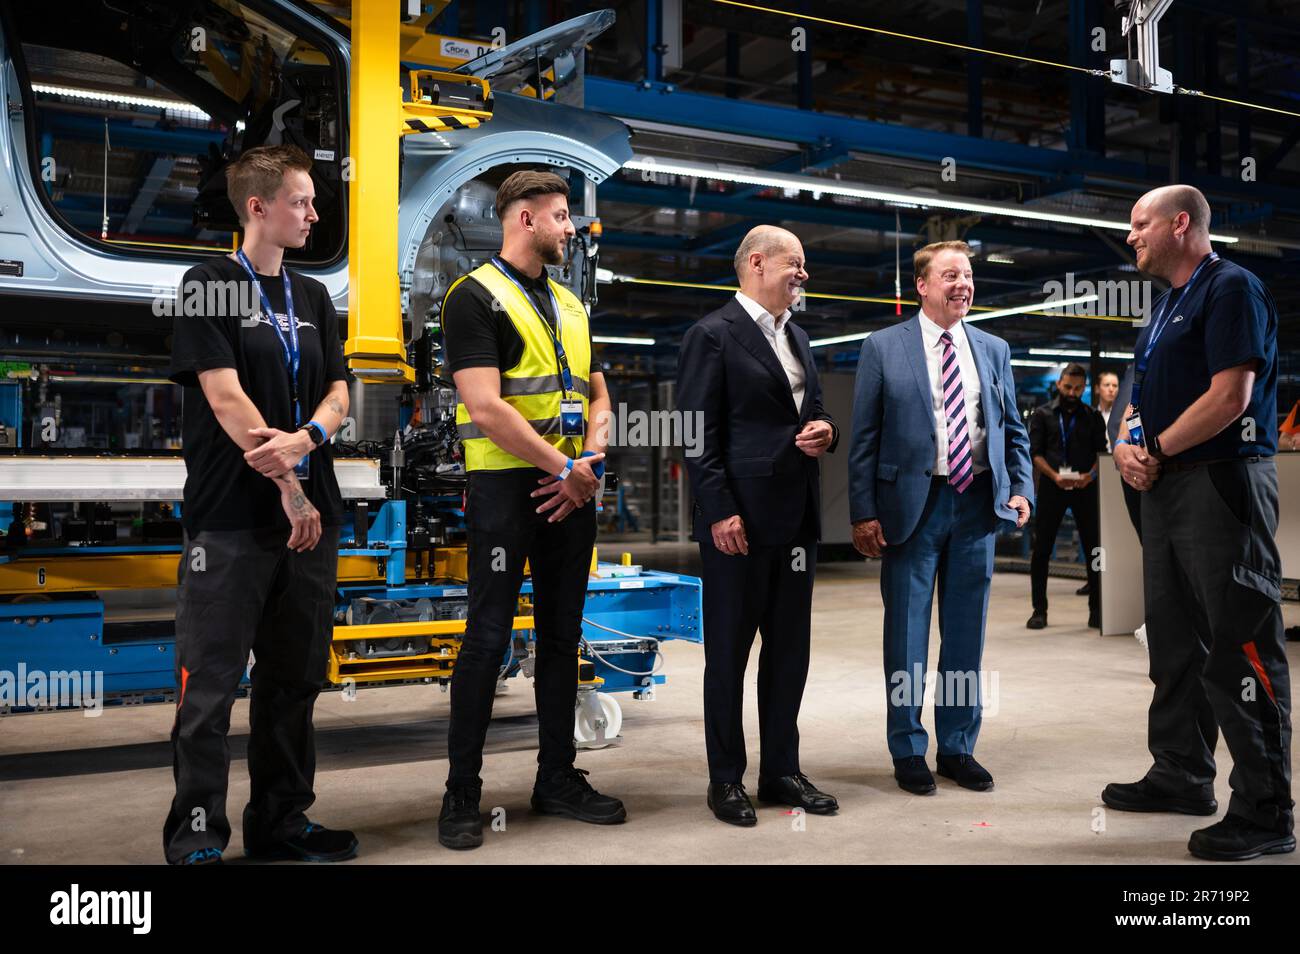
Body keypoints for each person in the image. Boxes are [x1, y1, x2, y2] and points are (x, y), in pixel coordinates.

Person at [164, 144, 356, 865]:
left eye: (311, 202)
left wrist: (309, 438)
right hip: (232, 519)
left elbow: (340, 392)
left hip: (312, 520)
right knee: (210, 685)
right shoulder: (208, 283)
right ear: (258, 207)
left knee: (294, 681)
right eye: (302, 201)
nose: (312, 213)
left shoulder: (312, 298)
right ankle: (196, 838)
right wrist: (289, 487)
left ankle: (281, 825)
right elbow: (223, 397)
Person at [1104, 184, 1293, 861]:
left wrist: (1154, 449)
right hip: (1165, 491)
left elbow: (1230, 395)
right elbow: (1133, 393)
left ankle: (1266, 808)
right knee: (1176, 642)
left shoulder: (1230, 289)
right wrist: (1124, 444)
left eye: (1140, 224)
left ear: (1181, 224)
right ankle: (1182, 772)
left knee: (1239, 644)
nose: (1132, 236)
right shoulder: (1163, 310)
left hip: (1221, 484)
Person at [437, 170, 621, 850]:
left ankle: (557, 777)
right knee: (487, 639)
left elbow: (598, 395)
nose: (570, 228)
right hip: (508, 490)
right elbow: (485, 406)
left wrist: (591, 462)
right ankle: (461, 793)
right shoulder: (473, 296)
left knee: (560, 637)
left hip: (573, 491)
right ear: (523, 220)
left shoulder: (573, 307)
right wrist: (564, 468)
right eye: (562, 216)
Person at [849, 241, 1033, 796]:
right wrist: (863, 512)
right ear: (922, 285)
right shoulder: (883, 347)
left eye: (969, 275)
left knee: (964, 638)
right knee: (905, 637)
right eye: (950, 275)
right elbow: (863, 438)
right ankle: (908, 748)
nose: (963, 284)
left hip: (977, 505)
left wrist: (1021, 488)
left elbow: (1012, 430)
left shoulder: (994, 348)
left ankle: (957, 746)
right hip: (913, 508)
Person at [677, 225, 840, 827]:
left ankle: (781, 772)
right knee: (729, 656)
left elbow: (813, 411)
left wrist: (828, 431)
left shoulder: (797, 336)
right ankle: (726, 779)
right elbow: (698, 434)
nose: (803, 275)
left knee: (788, 654)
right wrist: (719, 509)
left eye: (804, 266)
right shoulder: (712, 336)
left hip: (796, 520)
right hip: (737, 524)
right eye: (795, 264)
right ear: (756, 262)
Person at [1026, 363, 1108, 630]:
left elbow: (1101, 453)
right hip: (1053, 486)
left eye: (1078, 388)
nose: (1072, 392)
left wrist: (1090, 476)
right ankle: (1039, 610)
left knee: (1095, 549)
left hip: (1085, 488)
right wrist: (1054, 476)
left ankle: (1097, 610)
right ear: (1059, 384)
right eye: (1068, 386)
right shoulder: (1042, 415)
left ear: (1084, 388)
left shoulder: (1092, 416)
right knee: (1041, 550)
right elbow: (1035, 454)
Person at [1097, 371, 1119, 451]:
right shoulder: (1090, 416)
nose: (1111, 389)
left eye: (1115, 386)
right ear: (1097, 388)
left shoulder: (1124, 417)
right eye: (1107, 385)